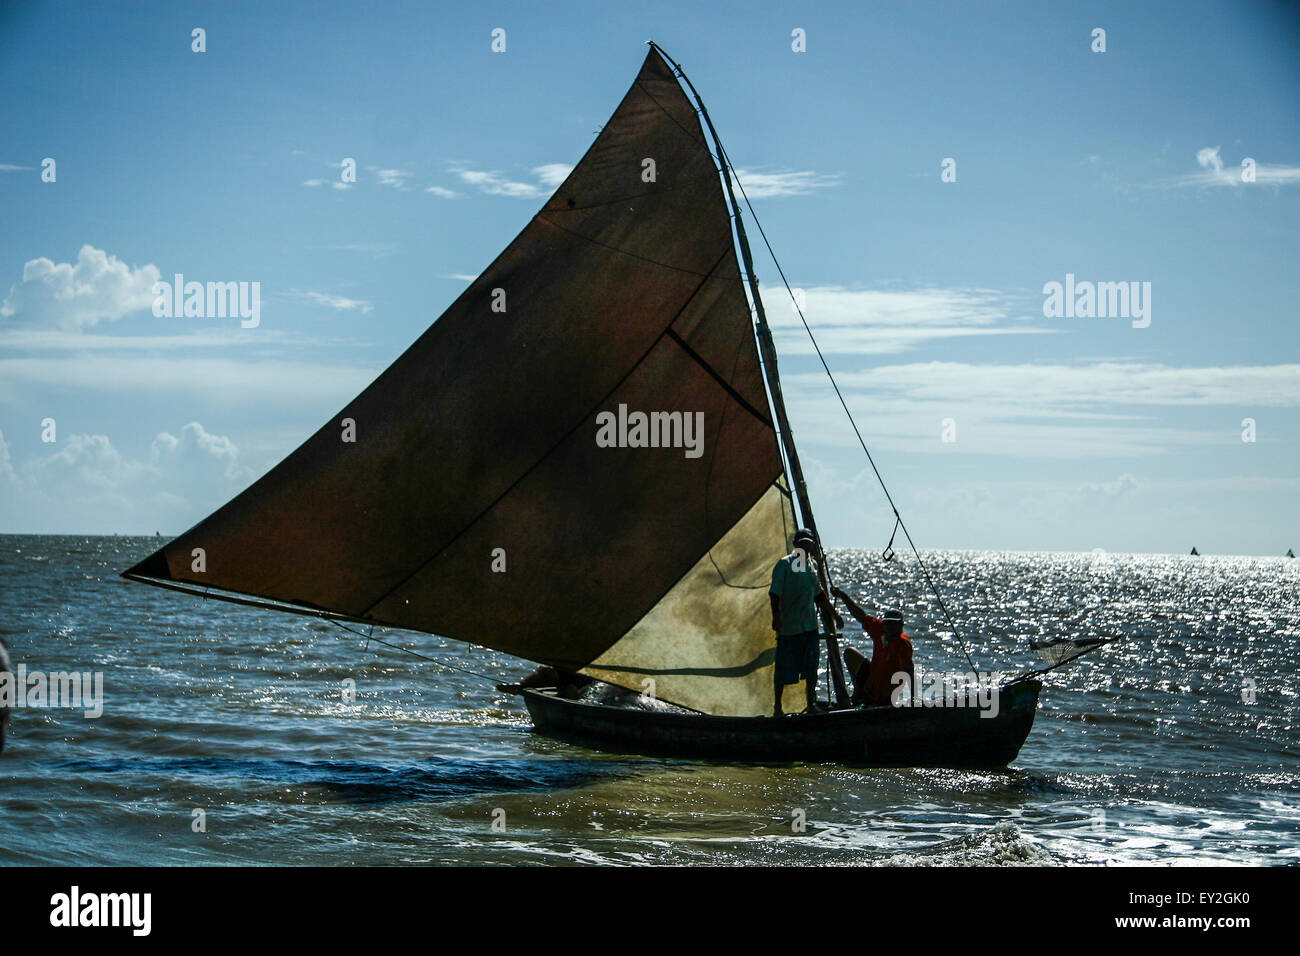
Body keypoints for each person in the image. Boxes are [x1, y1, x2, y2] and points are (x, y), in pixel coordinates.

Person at [769, 528, 842, 717]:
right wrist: (776, 616)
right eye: (801, 544)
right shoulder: (784, 565)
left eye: (808, 544)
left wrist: (834, 615)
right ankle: (778, 707)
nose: (805, 547)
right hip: (789, 628)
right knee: (784, 669)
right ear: (795, 545)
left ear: (812, 546)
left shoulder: (811, 566)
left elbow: (818, 594)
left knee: (811, 667)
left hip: (809, 626)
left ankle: (810, 705)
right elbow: (774, 593)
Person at [831, 586, 914, 706]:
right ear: (883, 624)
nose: (890, 627)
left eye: (894, 624)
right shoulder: (879, 630)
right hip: (871, 681)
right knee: (850, 652)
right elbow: (860, 615)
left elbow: (908, 672)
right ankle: (859, 692)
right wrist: (843, 596)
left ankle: (871, 699)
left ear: (901, 626)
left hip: (886, 693)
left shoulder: (902, 643)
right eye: (887, 624)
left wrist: (913, 699)